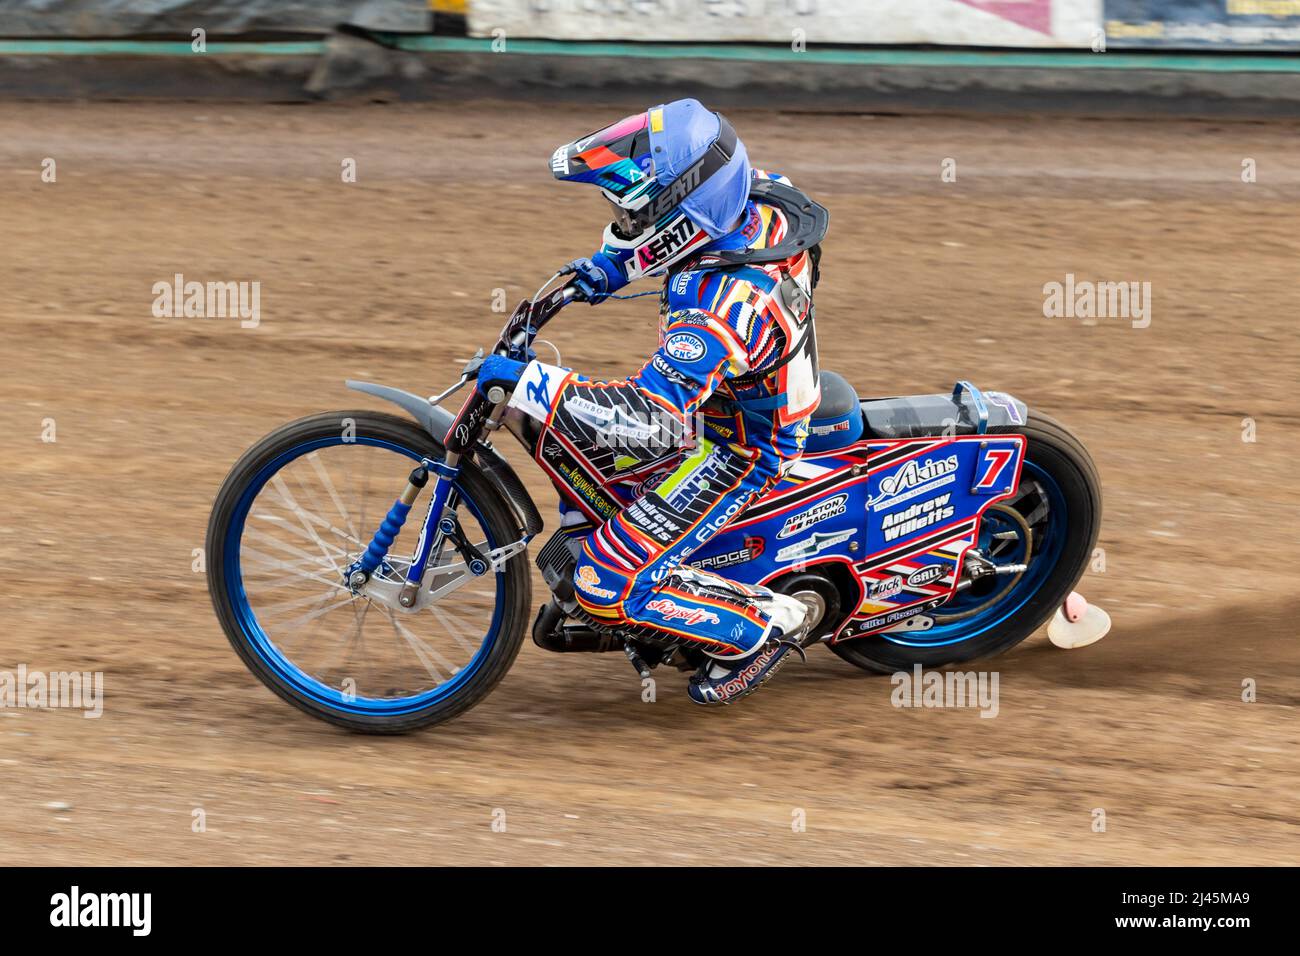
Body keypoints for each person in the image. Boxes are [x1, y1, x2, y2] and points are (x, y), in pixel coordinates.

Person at [477, 98, 829, 705]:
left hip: (736, 450)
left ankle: (763, 627)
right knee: (582, 446)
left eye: (633, 213)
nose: (621, 218)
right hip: (747, 396)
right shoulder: (755, 195)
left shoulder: (719, 309)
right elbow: (685, 218)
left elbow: (649, 415)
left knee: (602, 582)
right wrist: (617, 264)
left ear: (682, 217)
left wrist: (536, 385)